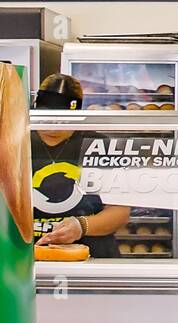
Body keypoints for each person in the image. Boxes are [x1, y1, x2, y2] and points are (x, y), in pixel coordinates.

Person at [31, 74, 130, 257]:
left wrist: (81, 226)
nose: (53, 126)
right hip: (28, 259)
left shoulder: (99, 145)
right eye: (45, 116)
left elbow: (120, 211)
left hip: (93, 256)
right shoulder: (17, 144)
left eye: (62, 119)